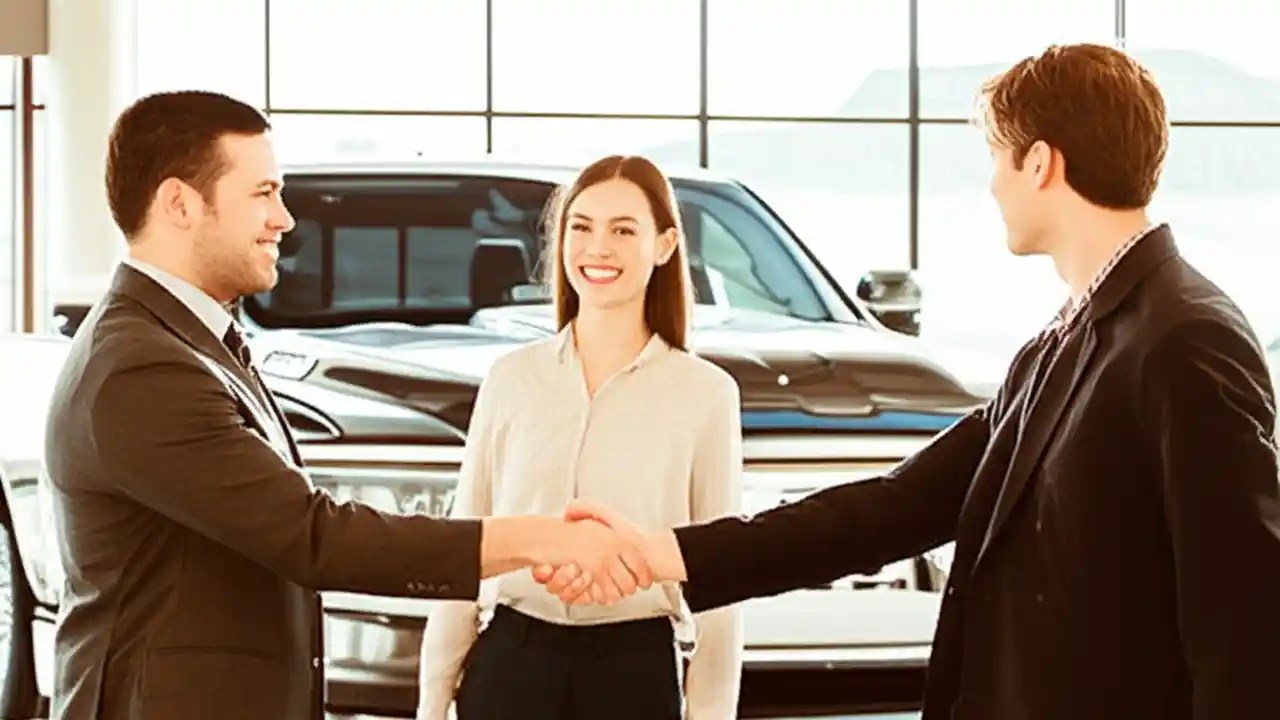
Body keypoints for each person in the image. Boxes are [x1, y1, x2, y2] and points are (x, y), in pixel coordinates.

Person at [537, 44, 1280, 719]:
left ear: (1040, 163)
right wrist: (658, 553)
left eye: (997, 158)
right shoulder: (1064, 340)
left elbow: (1246, 628)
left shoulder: (1186, 338)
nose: (991, 186)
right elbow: (896, 508)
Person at [41, 91, 651, 720]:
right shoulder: (143, 367)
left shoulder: (184, 341)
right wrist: (540, 539)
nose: (284, 218)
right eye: (263, 193)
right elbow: (314, 537)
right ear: (179, 204)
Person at [416, 155, 745, 720]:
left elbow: (721, 579)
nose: (598, 249)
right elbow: (466, 548)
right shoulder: (511, 379)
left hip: (634, 669)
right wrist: (431, 700)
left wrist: (711, 712)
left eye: (623, 230)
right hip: (510, 663)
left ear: (665, 245)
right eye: (581, 226)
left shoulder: (706, 394)